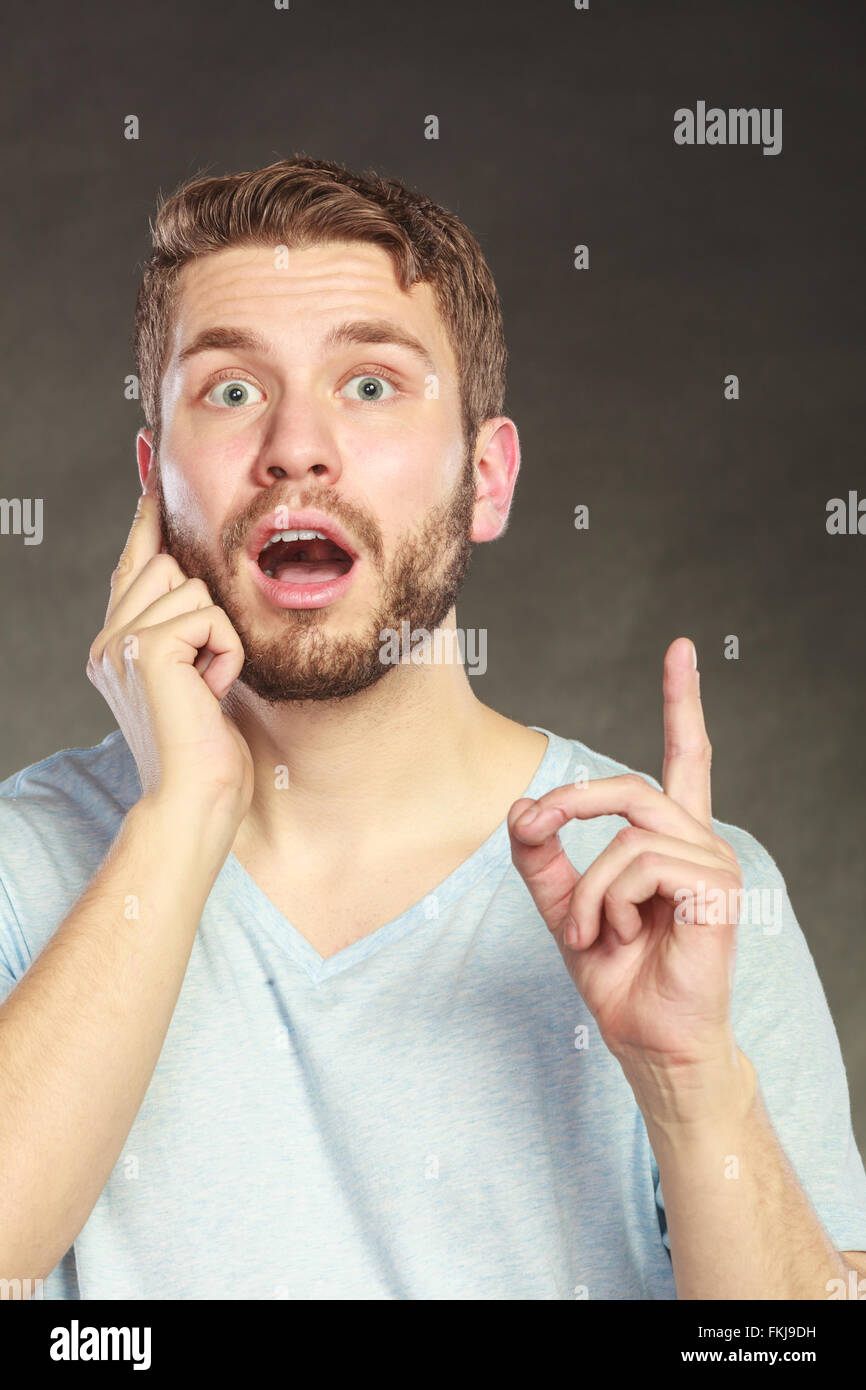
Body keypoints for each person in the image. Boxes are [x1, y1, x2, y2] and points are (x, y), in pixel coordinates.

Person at [1, 156, 865, 1301]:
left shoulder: (687, 899)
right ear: (154, 488)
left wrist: (689, 1082)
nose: (296, 446)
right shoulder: (25, 865)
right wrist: (181, 813)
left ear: (487, 480)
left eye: (369, 385)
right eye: (230, 389)